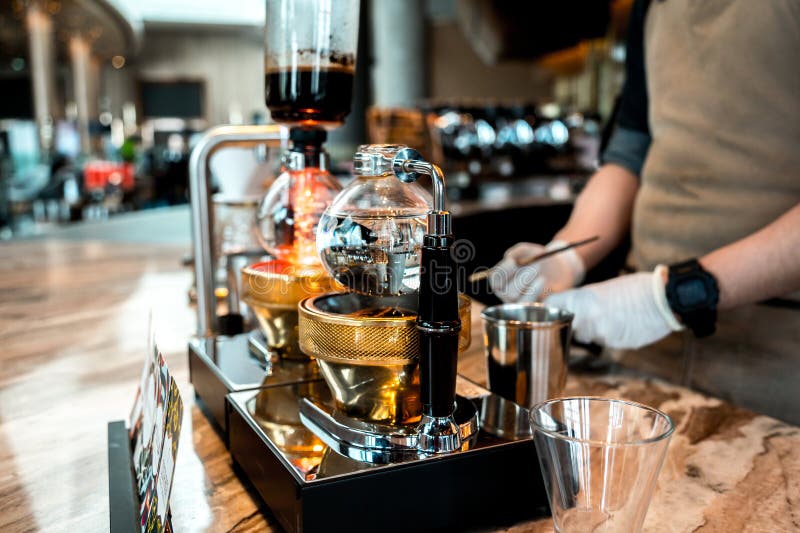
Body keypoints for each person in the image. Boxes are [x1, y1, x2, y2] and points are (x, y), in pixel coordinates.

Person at [489, 0, 800, 424]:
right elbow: (629, 157)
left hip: (774, 358)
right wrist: (566, 254)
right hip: (645, 348)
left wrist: (672, 296)